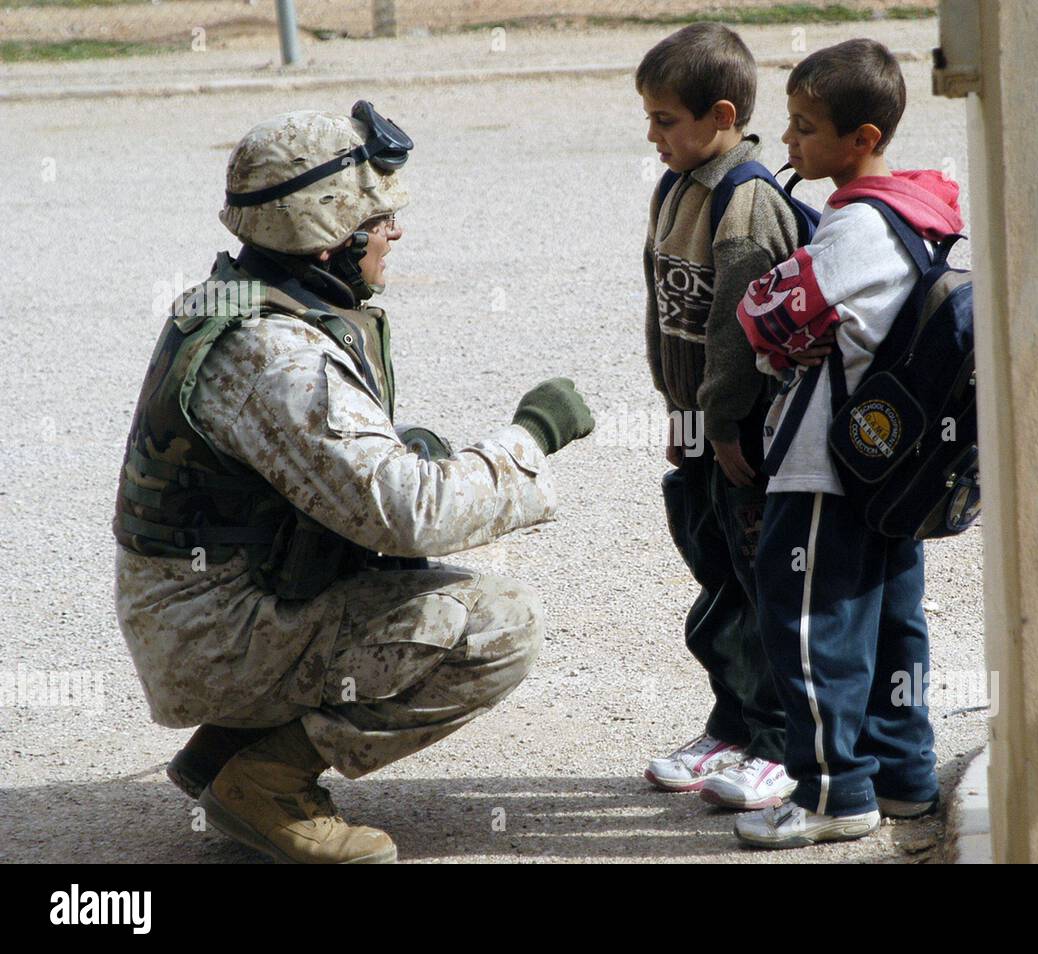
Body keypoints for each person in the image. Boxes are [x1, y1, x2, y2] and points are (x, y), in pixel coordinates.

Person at [113, 103, 594, 864]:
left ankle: (227, 750)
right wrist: (528, 440)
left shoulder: (245, 299)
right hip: (213, 631)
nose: (394, 233)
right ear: (327, 231)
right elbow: (409, 512)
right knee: (495, 623)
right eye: (379, 219)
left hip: (207, 605)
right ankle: (267, 784)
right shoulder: (278, 352)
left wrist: (409, 448)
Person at [732, 39, 965, 848]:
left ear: (862, 139)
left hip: (824, 465)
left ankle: (833, 794)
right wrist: (801, 327)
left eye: (804, 129)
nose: (788, 147)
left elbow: (767, 314)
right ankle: (902, 781)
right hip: (891, 465)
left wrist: (785, 326)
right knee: (892, 623)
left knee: (811, 627)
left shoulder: (861, 223)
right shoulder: (922, 213)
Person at [636, 22, 804, 810]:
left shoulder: (747, 204)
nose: (653, 134)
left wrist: (728, 424)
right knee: (718, 582)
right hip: (705, 429)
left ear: (723, 114)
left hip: (747, 437)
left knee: (762, 584)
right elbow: (668, 314)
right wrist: (684, 414)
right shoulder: (677, 189)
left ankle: (780, 748)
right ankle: (732, 727)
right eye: (651, 117)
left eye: (667, 119)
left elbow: (739, 333)